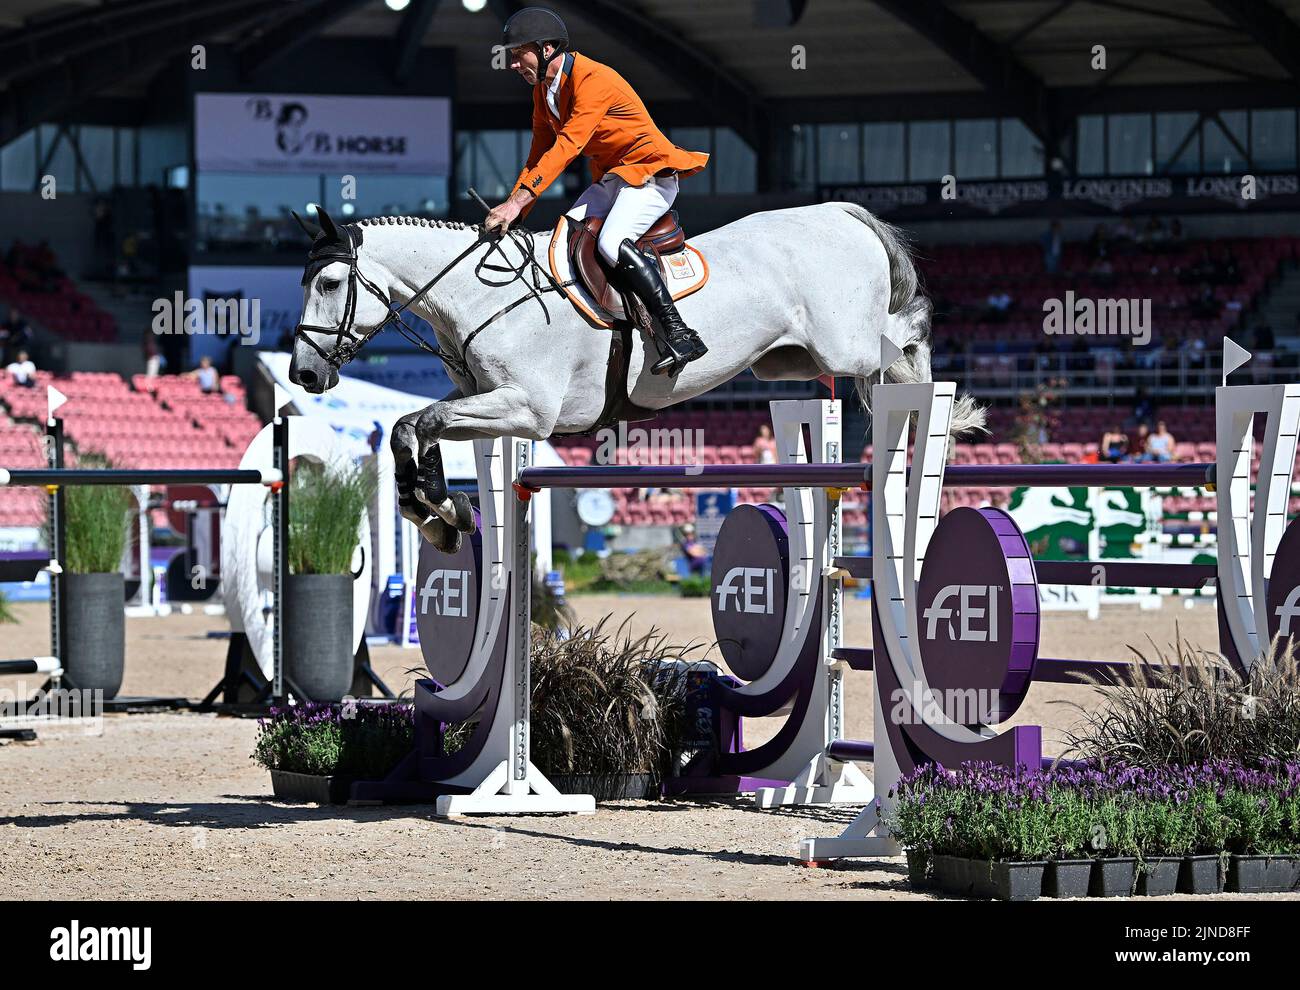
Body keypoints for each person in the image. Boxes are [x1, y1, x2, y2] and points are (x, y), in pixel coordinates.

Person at [485, 7, 710, 376]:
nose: (511, 64)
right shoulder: (544, 92)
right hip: (615, 179)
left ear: (546, 50)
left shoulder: (594, 79)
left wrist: (519, 203)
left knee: (609, 242)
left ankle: (679, 331)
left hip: (651, 175)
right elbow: (538, 154)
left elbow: (568, 147)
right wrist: (514, 209)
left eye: (517, 53)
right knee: (563, 235)